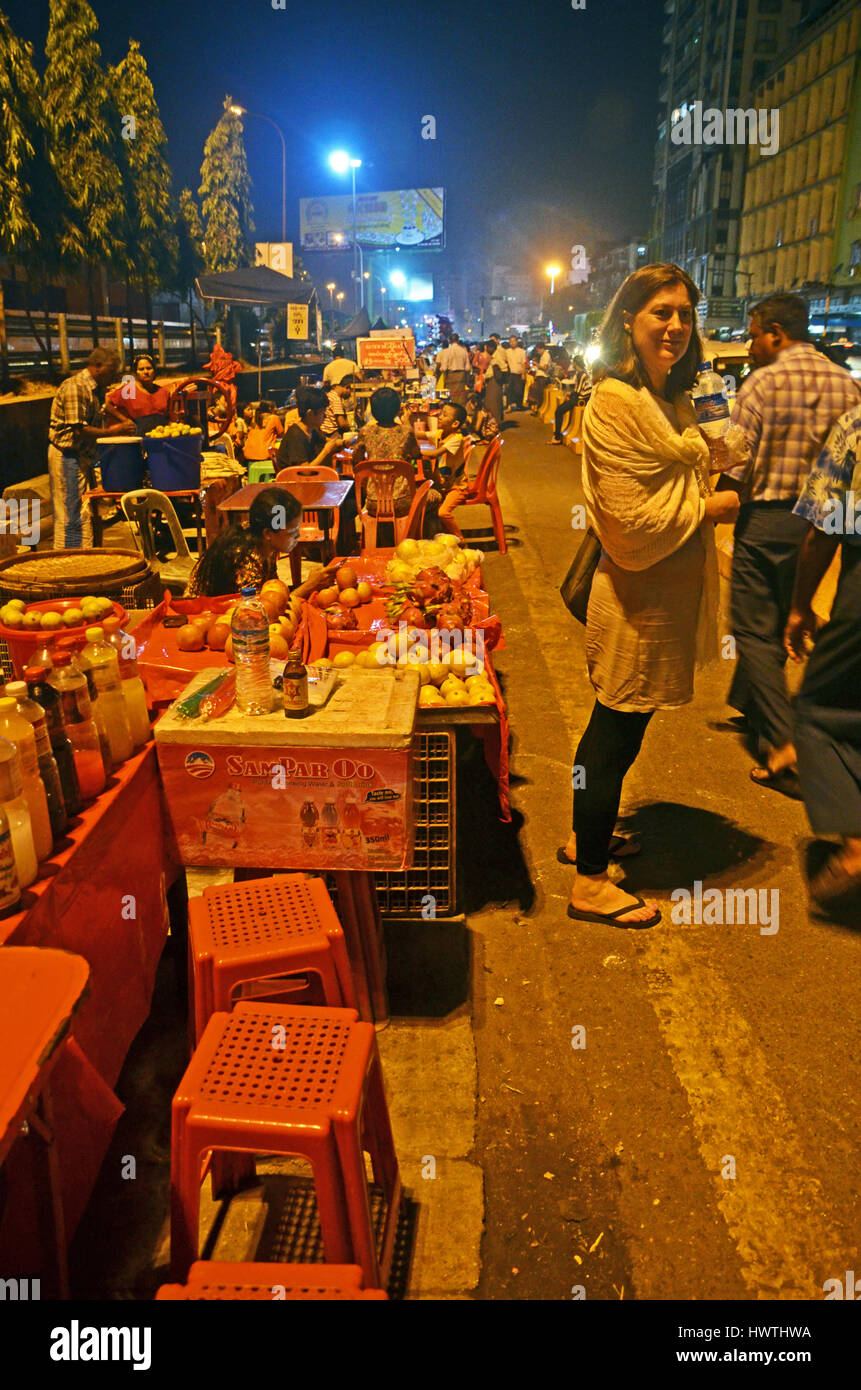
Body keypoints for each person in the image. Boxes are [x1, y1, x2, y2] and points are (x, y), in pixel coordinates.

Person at [564, 262, 740, 928]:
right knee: (609, 736)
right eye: (658, 312)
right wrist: (709, 506)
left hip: (663, 601)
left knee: (620, 733)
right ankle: (587, 880)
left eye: (683, 314)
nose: (672, 326)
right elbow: (629, 523)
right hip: (632, 601)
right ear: (628, 321)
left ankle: (590, 834)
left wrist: (713, 414)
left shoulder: (675, 398)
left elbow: (725, 453)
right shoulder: (615, 400)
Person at [717, 294, 860, 792]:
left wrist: (713, 502)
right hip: (824, 525)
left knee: (754, 630)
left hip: (768, 520)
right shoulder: (846, 384)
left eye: (754, 334)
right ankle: (752, 704)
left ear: (776, 332)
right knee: (782, 616)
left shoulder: (762, 384)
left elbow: (737, 462)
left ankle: (782, 745)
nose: (750, 345)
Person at [784, 405, 861, 909]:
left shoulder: (856, 426)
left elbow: (826, 525)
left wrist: (799, 605)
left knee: (818, 709)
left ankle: (856, 847)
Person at [185, 486, 336, 599]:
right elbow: (258, 611)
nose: (297, 536)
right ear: (268, 533)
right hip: (203, 616)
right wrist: (308, 586)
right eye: (291, 531)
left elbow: (274, 593)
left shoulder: (262, 542)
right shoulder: (247, 555)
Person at [48, 347, 125, 549]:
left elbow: (102, 409)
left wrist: (122, 420)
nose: (115, 375)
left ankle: (86, 556)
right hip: (68, 455)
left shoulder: (94, 389)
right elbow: (79, 429)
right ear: (97, 367)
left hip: (83, 455)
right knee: (71, 513)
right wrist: (114, 431)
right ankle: (70, 563)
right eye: (112, 369)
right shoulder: (76, 387)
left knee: (86, 511)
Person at [352, 385, 423, 527]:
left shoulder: (366, 431)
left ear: (373, 410)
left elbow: (356, 461)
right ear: (398, 409)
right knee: (432, 496)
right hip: (403, 501)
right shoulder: (406, 431)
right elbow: (417, 455)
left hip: (373, 503)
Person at [422, 402, 469, 539]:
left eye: (444, 415)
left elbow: (436, 453)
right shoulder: (440, 433)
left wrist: (417, 452)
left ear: (455, 424)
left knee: (443, 513)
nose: (440, 417)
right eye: (441, 413)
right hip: (444, 485)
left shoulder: (456, 439)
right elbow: (421, 436)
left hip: (457, 487)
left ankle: (460, 541)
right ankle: (439, 537)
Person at [275, 386, 346, 470]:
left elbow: (331, 442)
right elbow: (305, 471)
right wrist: (326, 451)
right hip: (296, 481)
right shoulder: (296, 436)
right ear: (310, 413)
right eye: (322, 412)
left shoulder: (311, 430)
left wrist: (346, 442)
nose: (325, 416)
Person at [104, 353, 170, 433]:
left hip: (161, 435)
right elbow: (107, 403)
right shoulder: (129, 390)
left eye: (149, 368)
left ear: (154, 371)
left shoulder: (163, 392)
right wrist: (125, 420)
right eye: (141, 369)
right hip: (138, 435)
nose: (146, 372)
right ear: (135, 373)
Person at [550, 354, 591, 444]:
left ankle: (557, 437)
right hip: (582, 398)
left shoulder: (581, 374)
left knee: (559, 411)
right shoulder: (583, 373)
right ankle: (557, 435)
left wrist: (569, 396)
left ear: (576, 364)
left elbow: (579, 392)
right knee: (561, 409)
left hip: (581, 399)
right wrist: (570, 394)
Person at [438, 333, 470, 403]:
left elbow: (444, 368)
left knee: (450, 397)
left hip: (450, 376)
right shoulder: (464, 351)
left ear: (449, 341)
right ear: (458, 340)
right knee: (460, 397)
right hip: (461, 377)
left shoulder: (447, 351)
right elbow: (467, 368)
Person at [483, 339, 507, 425]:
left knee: (492, 403)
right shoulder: (494, 356)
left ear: (492, 348)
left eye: (487, 348)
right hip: (493, 381)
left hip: (495, 381)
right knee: (494, 403)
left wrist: (499, 377)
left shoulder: (498, 356)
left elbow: (504, 368)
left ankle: (495, 423)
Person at [505, 335, 527, 410]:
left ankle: (519, 405)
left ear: (516, 342)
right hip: (510, 374)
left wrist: (524, 374)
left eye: (514, 341)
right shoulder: (507, 352)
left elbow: (523, 363)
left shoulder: (522, 351)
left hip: (519, 373)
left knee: (519, 390)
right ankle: (509, 406)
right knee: (509, 390)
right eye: (510, 341)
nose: (512, 343)